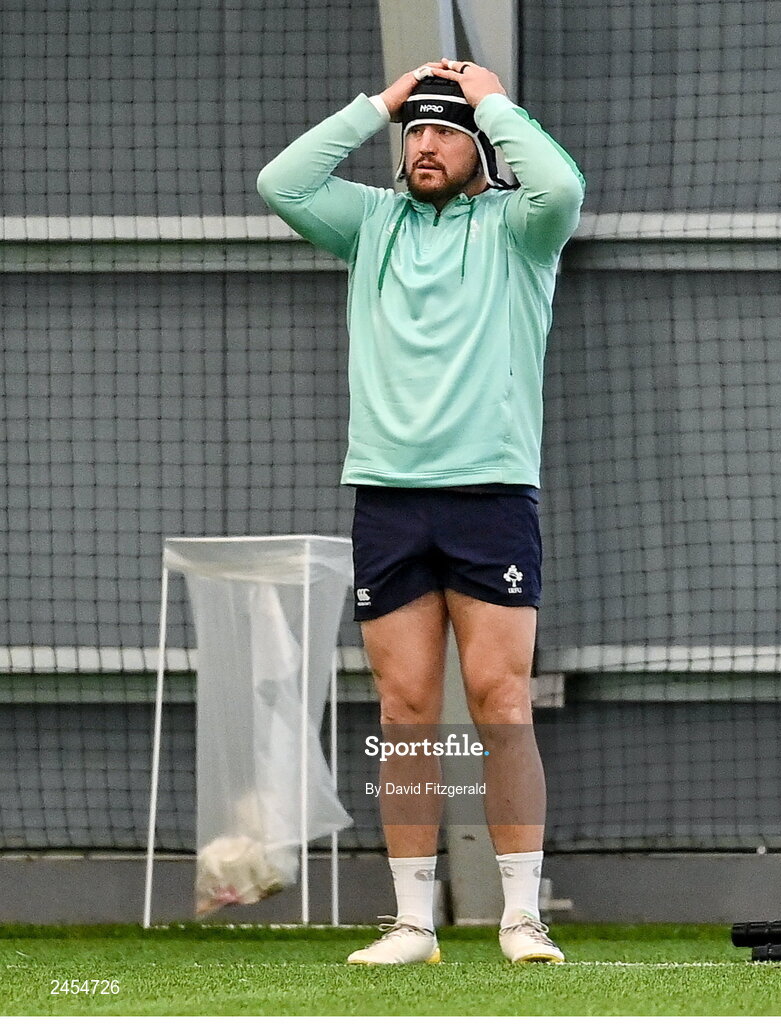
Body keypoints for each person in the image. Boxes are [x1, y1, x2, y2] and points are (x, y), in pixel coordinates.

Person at [258, 57, 584, 964]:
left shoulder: (520, 229)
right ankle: (412, 922)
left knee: (499, 700)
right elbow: (280, 182)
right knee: (403, 710)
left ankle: (521, 915)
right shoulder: (369, 222)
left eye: (444, 132)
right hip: (389, 501)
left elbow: (561, 183)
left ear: (481, 146)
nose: (425, 145)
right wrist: (384, 100)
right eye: (416, 134)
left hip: (490, 497)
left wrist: (490, 100)